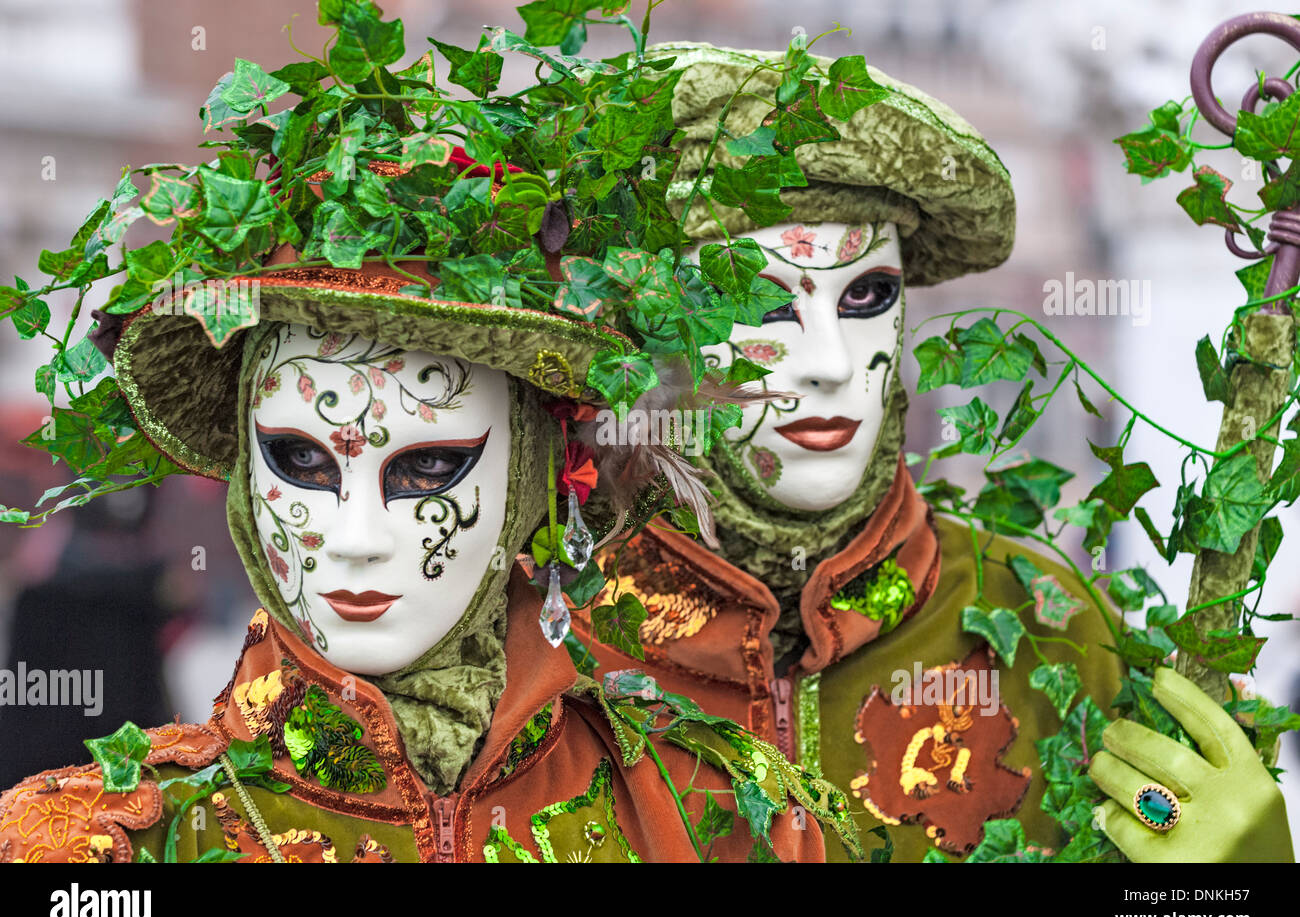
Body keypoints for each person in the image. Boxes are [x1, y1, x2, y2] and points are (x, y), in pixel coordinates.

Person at [571, 43, 1293, 863]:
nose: (833, 363)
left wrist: (1234, 889)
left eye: (867, 297)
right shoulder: (533, 663)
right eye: (758, 301)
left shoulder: (1041, 630)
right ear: (649, 326)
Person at [0, 181, 844, 863]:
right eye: (302, 462)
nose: (358, 534)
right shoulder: (103, 850)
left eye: (429, 466)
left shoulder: (725, 815)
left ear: (532, 480)